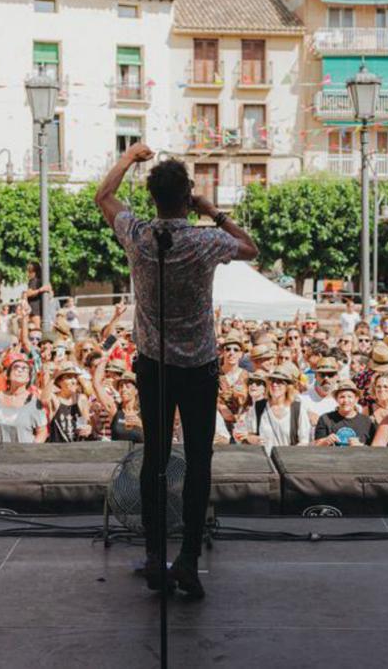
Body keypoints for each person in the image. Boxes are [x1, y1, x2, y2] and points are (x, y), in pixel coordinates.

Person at [96, 141, 257, 599]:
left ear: (151, 199)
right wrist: (213, 210)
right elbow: (251, 247)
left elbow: (103, 197)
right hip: (199, 367)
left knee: (155, 459)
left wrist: (127, 159)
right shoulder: (205, 240)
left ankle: (152, 554)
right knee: (199, 461)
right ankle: (186, 559)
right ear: (187, 196)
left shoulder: (137, 234)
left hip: (153, 367)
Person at [235, 364, 310, 454]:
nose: (274, 384)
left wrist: (289, 455)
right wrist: (252, 439)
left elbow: (304, 441)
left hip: (288, 462)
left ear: (288, 386)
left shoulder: (297, 409)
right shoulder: (259, 406)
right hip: (263, 462)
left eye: (279, 382)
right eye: (272, 381)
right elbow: (247, 434)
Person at [0, 353, 48, 446]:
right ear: (8, 376)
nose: (19, 370)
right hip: (0, 456)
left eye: (24, 369)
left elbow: (42, 431)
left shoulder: (34, 401)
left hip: (23, 457)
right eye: (16, 367)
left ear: (28, 378)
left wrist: (31, 449)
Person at [42, 361, 93, 442]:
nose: (73, 381)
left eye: (75, 377)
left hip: (77, 449)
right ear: (59, 382)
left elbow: (85, 422)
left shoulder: (81, 399)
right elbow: (43, 401)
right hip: (57, 450)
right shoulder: (55, 398)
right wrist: (53, 377)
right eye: (69, 377)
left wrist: (88, 428)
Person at [312, 381, 374, 446]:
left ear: (356, 399)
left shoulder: (367, 421)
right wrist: (326, 441)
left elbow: (374, 450)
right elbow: (317, 446)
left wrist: (361, 446)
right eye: (342, 397)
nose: (346, 400)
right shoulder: (325, 419)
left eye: (349, 397)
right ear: (336, 399)